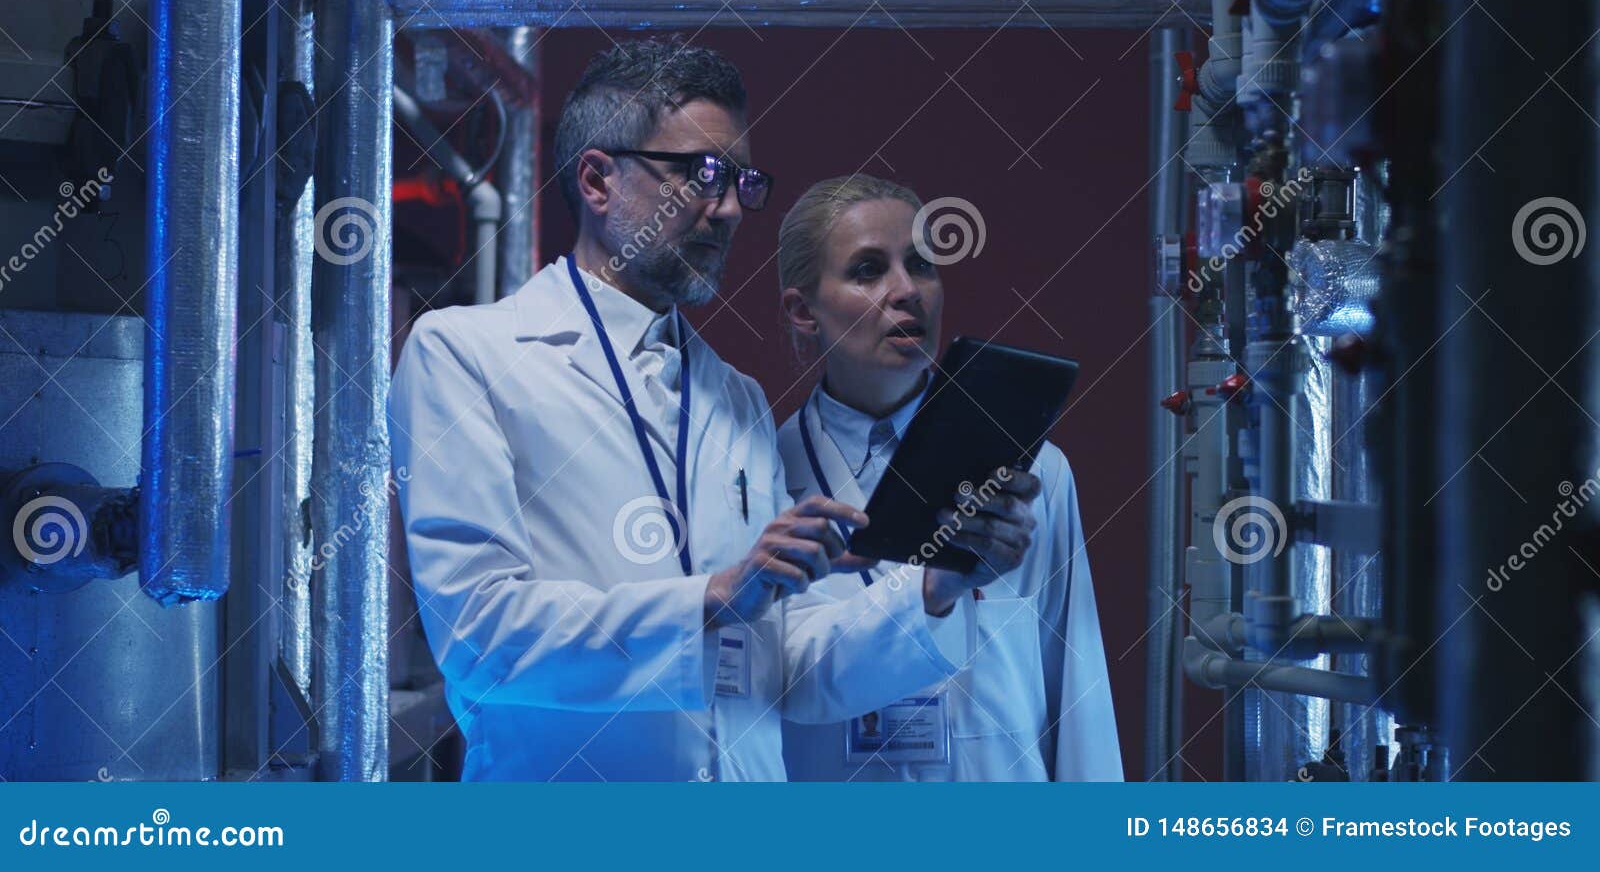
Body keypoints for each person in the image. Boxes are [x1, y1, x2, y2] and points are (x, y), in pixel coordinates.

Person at [388, 39, 1035, 781]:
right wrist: (716, 594)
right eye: (700, 176)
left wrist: (935, 586)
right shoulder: (467, 354)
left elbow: (783, 671)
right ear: (598, 180)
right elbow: (481, 638)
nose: (728, 208)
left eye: (739, 181)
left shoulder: (737, 398)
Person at [773, 175, 1123, 781]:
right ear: (805, 311)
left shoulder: (1031, 471)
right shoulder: (761, 476)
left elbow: (1078, 687)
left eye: (921, 265)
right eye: (867, 270)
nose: (907, 290)